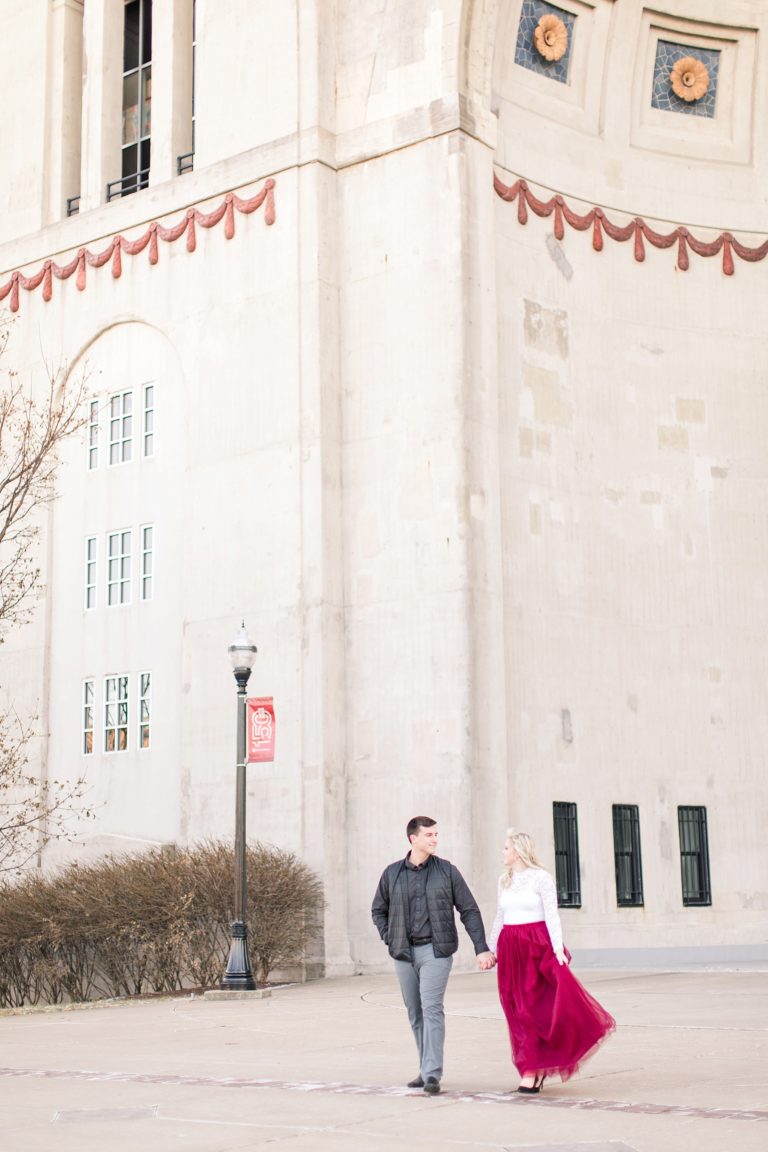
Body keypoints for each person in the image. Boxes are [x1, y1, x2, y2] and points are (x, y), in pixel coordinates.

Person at [372, 816, 495, 1095]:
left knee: (431, 1009)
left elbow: (469, 910)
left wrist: (481, 947)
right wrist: (390, 937)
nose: (435, 839)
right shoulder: (392, 873)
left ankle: (432, 1074)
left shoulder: (447, 871)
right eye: (429, 835)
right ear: (413, 839)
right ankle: (424, 1067)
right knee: (415, 1013)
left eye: (436, 834)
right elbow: (378, 910)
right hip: (403, 952)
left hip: (436, 951)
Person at [488, 829, 615, 1093]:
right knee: (515, 1008)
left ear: (519, 851)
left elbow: (552, 916)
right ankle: (530, 1067)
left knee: (534, 1008)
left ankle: (534, 1069)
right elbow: (499, 917)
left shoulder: (541, 879)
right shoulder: (504, 880)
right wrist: (490, 949)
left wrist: (557, 949)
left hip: (536, 946)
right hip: (510, 948)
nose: (503, 852)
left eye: (506, 848)